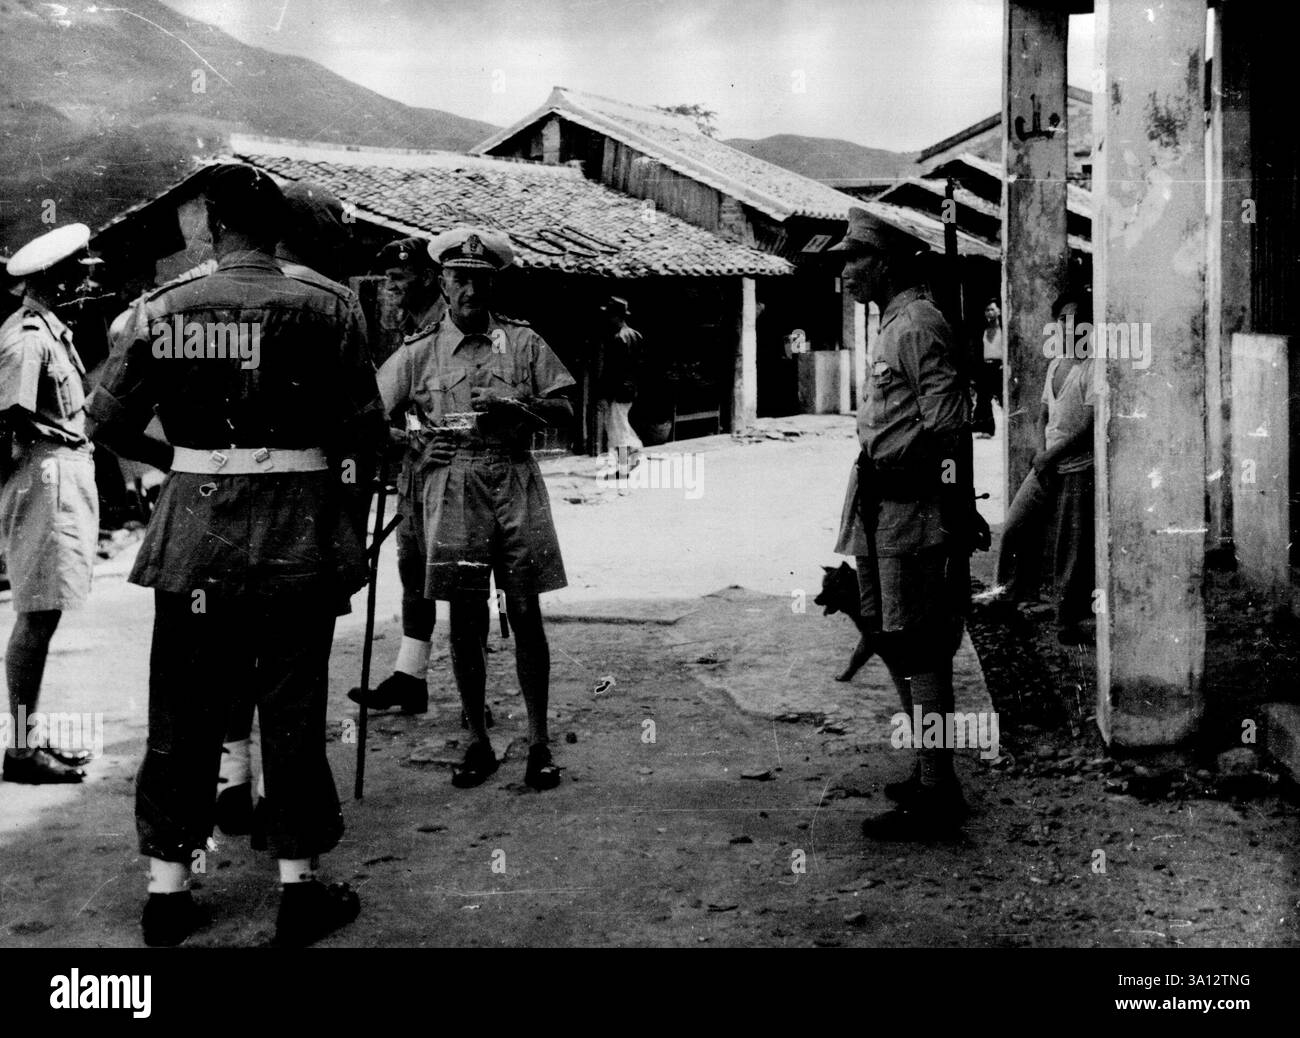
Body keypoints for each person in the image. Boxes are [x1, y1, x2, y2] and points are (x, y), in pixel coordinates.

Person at [87, 162, 387, 946]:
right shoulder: (328, 308)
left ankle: (167, 893)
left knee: (182, 708)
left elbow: (105, 423)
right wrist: (347, 530)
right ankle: (297, 890)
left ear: (208, 227)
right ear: (279, 227)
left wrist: (178, 462)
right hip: (297, 535)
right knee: (291, 705)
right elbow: (364, 436)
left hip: (195, 537)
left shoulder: (164, 309)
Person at [372, 226, 574, 791]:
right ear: (442, 282)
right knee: (465, 617)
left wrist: (521, 404)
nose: (470, 289)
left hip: (513, 479)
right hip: (452, 483)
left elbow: (563, 411)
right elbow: (369, 418)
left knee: (527, 612)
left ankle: (538, 742)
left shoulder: (525, 343)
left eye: (482, 279)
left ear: (494, 283)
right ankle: (477, 741)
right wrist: (411, 441)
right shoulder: (418, 352)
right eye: (460, 278)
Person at [830, 207, 988, 841]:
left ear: (886, 264)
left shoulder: (919, 326)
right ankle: (930, 772)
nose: (846, 271)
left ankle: (937, 791)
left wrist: (954, 517)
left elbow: (949, 432)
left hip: (911, 510)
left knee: (920, 646)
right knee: (895, 636)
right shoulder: (893, 322)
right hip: (878, 501)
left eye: (855, 259)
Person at [0, 224, 100, 784]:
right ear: (54, 279)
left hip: (54, 476)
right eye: (80, 271)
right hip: (43, 480)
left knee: (43, 613)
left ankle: (25, 741)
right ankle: (19, 753)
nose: (89, 279)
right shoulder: (28, 338)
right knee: (36, 615)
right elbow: (6, 418)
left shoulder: (50, 332)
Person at [346, 237, 450, 716]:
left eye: (399, 280)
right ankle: (411, 677)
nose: (390, 290)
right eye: (387, 281)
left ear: (428, 279)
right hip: (417, 468)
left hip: (453, 471)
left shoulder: (447, 328)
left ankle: (472, 705)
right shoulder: (404, 329)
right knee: (414, 572)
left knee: (457, 581)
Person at [983, 289, 1096, 644]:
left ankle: (1066, 620)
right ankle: (1008, 594)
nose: (1069, 325)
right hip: (1046, 464)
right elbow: (1043, 415)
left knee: (1071, 548)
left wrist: (1052, 455)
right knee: (1016, 525)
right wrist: (1039, 450)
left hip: (1077, 466)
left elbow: (1088, 427)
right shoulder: (1056, 364)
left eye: (1076, 318)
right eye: (1063, 319)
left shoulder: (1093, 367)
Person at [594, 295, 643, 473]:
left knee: (618, 430)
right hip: (630, 389)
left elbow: (613, 371)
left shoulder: (618, 339)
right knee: (620, 426)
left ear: (617, 316)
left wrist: (603, 394)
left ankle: (624, 466)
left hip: (618, 390)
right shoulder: (636, 335)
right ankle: (628, 458)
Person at [971, 298, 1002, 437]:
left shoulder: (1004, 330)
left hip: (999, 367)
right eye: (987, 310)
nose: (989, 313)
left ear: (999, 311)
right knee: (983, 399)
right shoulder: (982, 331)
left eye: (992, 309)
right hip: (986, 367)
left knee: (1003, 398)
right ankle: (987, 429)